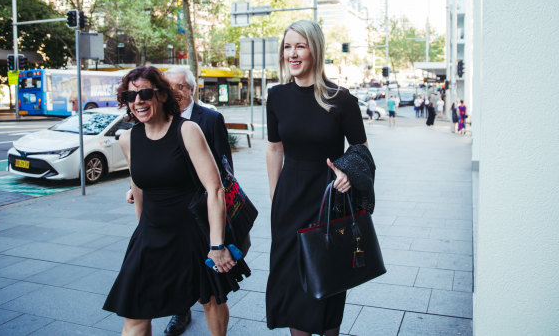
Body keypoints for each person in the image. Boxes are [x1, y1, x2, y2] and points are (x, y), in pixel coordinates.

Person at [104, 66, 249, 336]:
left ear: (160, 94)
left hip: (191, 234)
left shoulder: (188, 130)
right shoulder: (128, 139)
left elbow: (215, 189)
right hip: (151, 235)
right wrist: (143, 233)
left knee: (211, 300)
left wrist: (216, 245)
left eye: (144, 93)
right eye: (130, 95)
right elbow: (139, 187)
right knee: (134, 314)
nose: (137, 101)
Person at [265, 20, 368, 336]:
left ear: (315, 49)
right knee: (294, 284)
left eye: (300, 46)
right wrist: (275, 199)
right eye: (287, 46)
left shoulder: (342, 99)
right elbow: (273, 150)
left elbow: (360, 149)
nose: (292, 54)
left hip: (329, 199)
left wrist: (348, 173)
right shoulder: (277, 96)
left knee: (328, 282)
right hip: (289, 199)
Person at [163, 66, 233, 336]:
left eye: (180, 86)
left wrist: (223, 201)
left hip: (204, 207)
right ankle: (180, 313)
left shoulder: (211, 118)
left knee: (209, 279)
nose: (175, 92)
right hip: (173, 209)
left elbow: (225, 165)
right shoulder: (162, 118)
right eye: (169, 87)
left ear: (192, 89)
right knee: (177, 270)